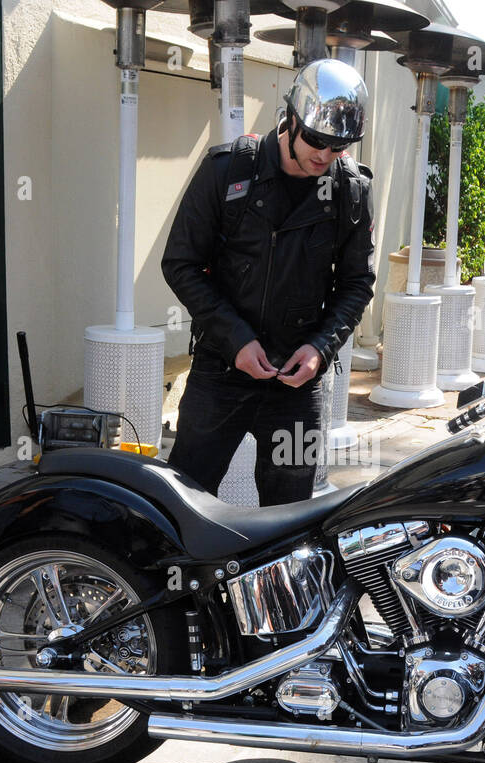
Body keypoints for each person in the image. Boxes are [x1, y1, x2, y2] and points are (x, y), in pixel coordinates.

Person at [161, 58, 375, 506]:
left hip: (296, 387)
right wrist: (235, 339)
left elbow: (356, 284)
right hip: (220, 373)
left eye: (338, 147)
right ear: (291, 120)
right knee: (183, 504)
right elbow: (180, 263)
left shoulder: (350, 191)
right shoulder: (227, 172)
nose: (324, 155)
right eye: (316, 140)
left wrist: (320, 349)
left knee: (290, 520)